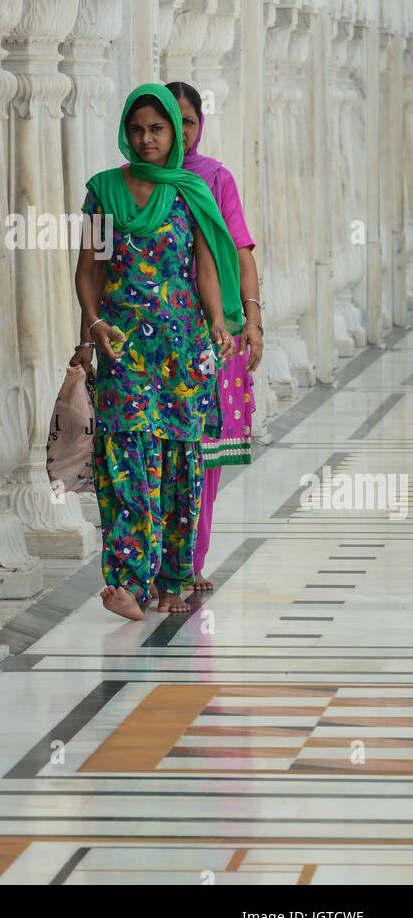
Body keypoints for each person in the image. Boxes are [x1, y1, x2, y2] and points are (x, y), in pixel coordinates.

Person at [70, 83, 240, 621]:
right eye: (138, 129)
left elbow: (208, 269)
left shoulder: (192, 191)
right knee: (123, 460)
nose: (147, 139)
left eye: (158, 129)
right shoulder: (104, 191)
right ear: (127, 130)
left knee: (178, 462)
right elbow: (89, 271)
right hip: (122, 347)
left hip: (183, 351)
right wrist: (90, 331)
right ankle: (125, 582)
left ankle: (171, 580)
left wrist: (218, 321)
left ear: (174, 133)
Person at [165, 81, 264, 590]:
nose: (179, 132)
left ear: (199, 125)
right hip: (158, 336)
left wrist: (252, 319)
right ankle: (158, 561)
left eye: (188, 121)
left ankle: (192, 558)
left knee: (206, 451)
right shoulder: (135, 184)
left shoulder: (215, 178)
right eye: (169, 120)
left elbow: (241, 251)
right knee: (164, 449)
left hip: (215, 334)